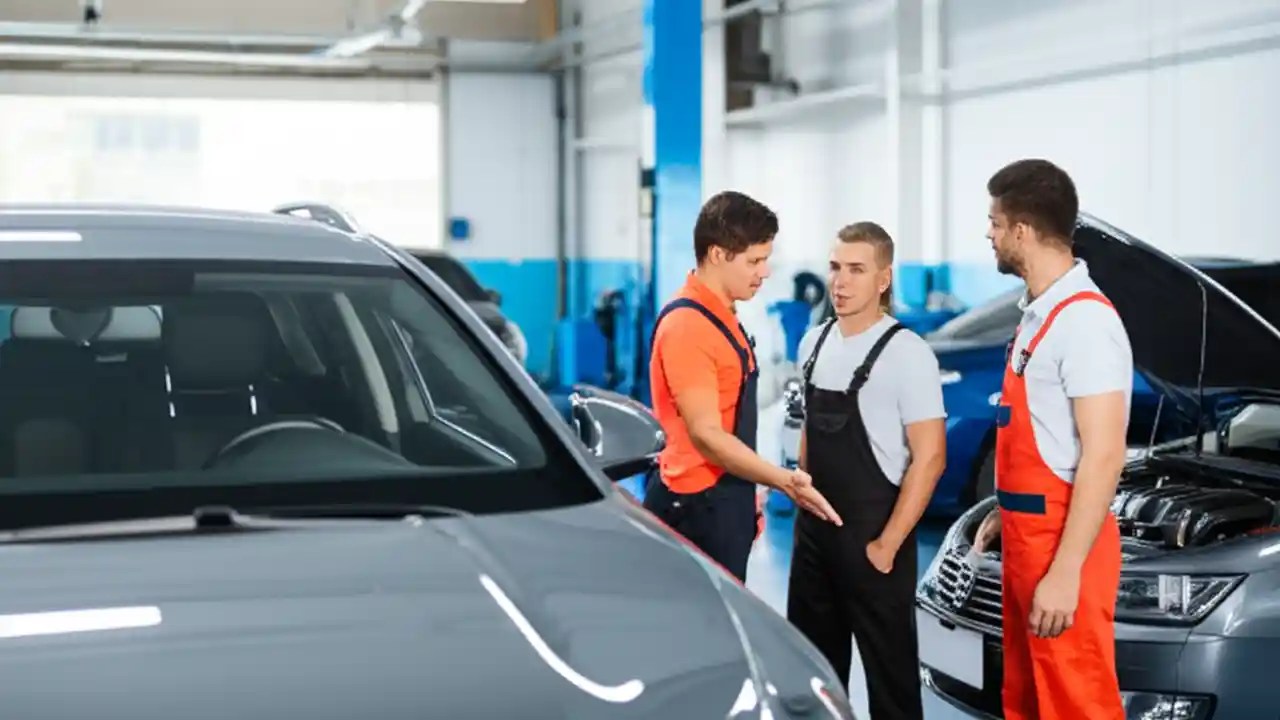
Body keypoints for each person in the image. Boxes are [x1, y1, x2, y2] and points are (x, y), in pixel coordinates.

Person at [979, 159, 1132, 720]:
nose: (989, 234)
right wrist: (1005, 509)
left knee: (1074, 702)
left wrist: (1065, 572)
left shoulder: (1085, 323)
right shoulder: (1040, 317)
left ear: (1021, 231)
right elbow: (1043, 433)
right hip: (1028, 537)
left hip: (1064, 546)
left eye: (994, 222)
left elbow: (1105, 454)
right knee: (1026, 699)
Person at [785, 221, 947, 719]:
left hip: (875, 538)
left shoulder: (907, 353)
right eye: (835, 267)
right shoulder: (814, 343)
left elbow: (931, 456)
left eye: (857, 269)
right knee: (811, 674)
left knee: (891, 683)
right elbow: (811, 424)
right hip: (814, 539)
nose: (841, 281)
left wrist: (888, 545)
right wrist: (801, 486)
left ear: (883, 279)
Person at [645, 190, 842, 583]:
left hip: (723, 500)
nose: (764, 272)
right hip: (696, 508)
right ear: (718, 254)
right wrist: (781, 479)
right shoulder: (689, 325)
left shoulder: (723, 316)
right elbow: (706, 434)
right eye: (755, 261)